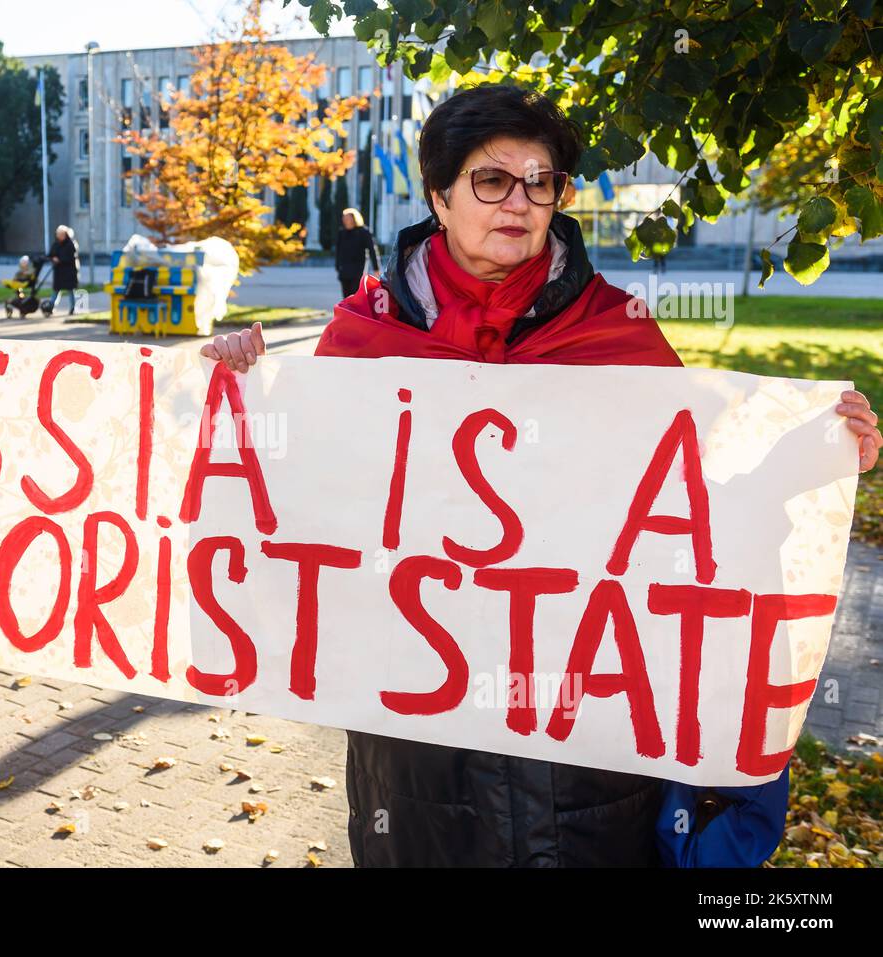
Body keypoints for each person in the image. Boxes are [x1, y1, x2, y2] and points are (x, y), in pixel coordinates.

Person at [201, 84, 881, 867]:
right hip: (418, 733)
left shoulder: (618, 334)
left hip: (584, 735)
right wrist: (238, 391)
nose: (519, 200)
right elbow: (296, 508)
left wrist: (810, 464)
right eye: (492, 179)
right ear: (440, 194)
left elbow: (691, 499)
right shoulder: (363, 340)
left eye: (542, 180)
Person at [334, 207, 380, 299]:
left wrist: (376, 268)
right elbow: (338, 251)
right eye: (344, 218)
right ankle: (347, 313)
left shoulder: (364, 232)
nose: (345, 220)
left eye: (348, 218)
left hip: (357, 270)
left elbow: (372, 250)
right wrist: (337, 266)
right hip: (344, 271)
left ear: (354, 219)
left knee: (356, 297)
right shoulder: (341, 233)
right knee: (346, 298)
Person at [48, 224, 80, 316]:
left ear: (65, 234)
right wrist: (53, 258)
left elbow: (71, 257)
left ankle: (73, 308)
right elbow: (51, 254)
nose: (59, 236)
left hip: (69, 271)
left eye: (61, 234)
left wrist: (60, 260)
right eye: (58, 234)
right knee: (56, 290)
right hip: (58, 271)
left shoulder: (71, 244)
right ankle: (51, 307)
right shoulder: (56, 244)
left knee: (71, 290)